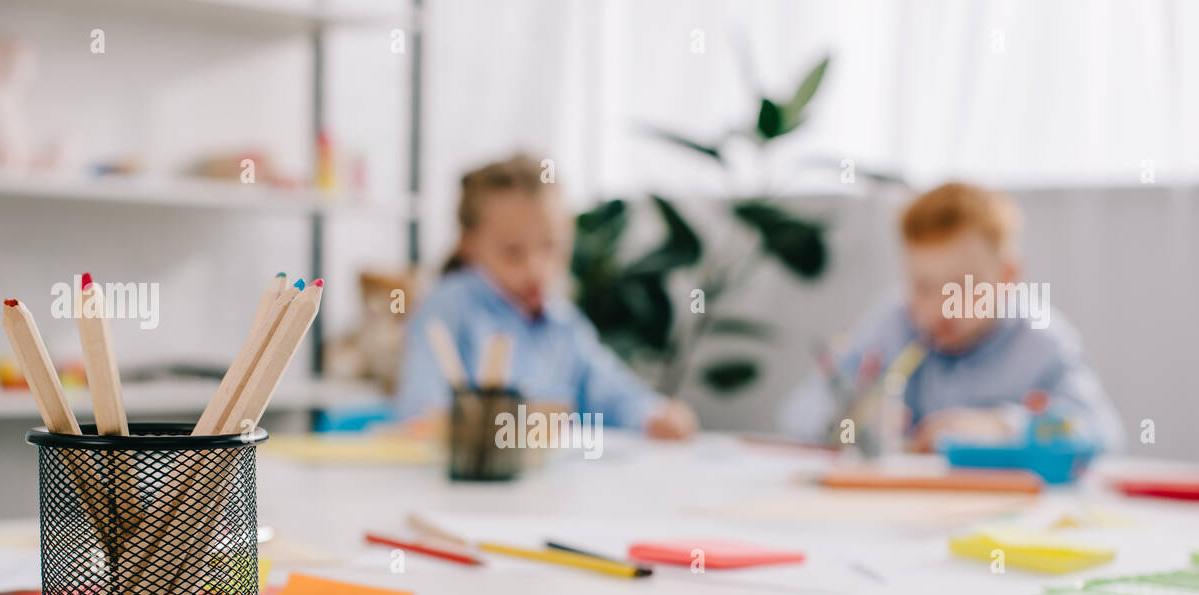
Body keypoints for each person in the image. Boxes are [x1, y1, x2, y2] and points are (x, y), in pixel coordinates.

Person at [778, 182, 1122, 452]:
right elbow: (797, 412)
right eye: (923, 286)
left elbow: (1104, 435)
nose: (940, 307)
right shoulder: (893, 323)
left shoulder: (1041, 341)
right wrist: (850, 420)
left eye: (962, 286)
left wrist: (1003, 427)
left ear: (1007, 278)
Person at [396, 154, 698, 438]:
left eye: (551, 247)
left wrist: (654, 413)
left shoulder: (562, 322)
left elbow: (613, 391)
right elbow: (421, 412)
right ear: (469, 244)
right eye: (512, 252)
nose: (535, 269)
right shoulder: (449, 307)